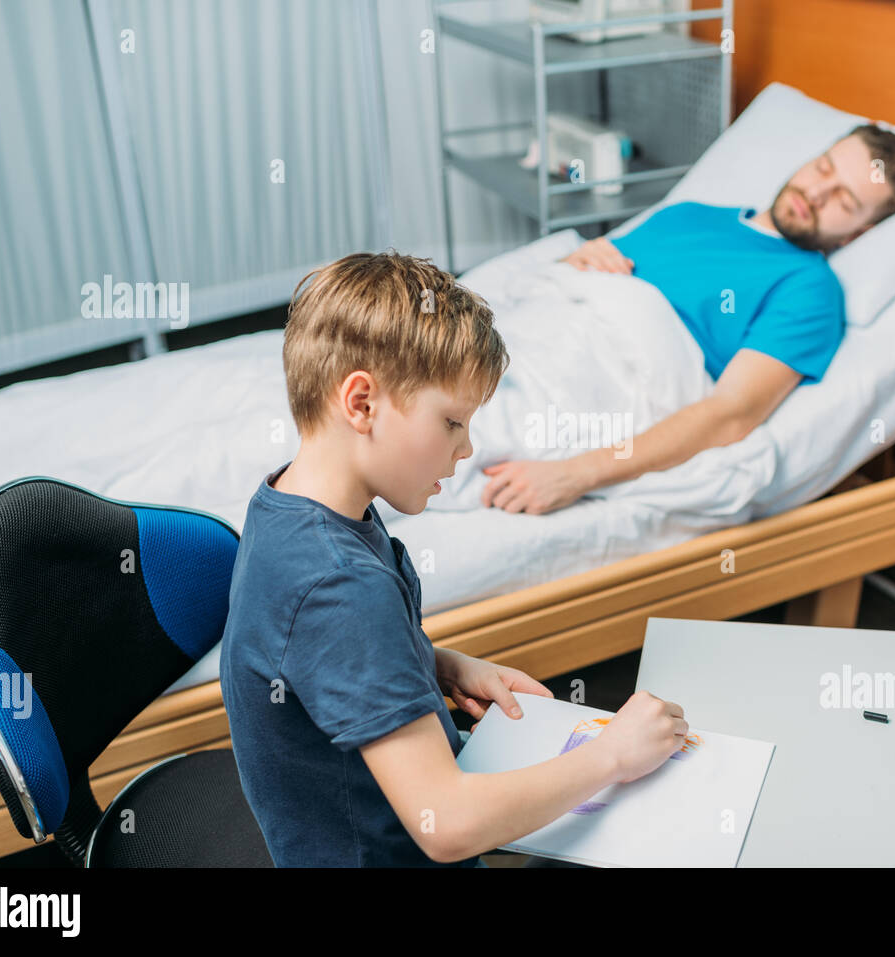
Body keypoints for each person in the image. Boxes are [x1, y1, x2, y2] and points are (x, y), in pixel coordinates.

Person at [219, 251, 689, 866]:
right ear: (361, 404)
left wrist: (437, 665)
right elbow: (448, 823)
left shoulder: (291, 502)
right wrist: (613, 756)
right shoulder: (337, 584)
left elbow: (316, 653)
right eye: (452, 422)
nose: (467, 449)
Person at [478, 124, 895, 515]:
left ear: (857, 233)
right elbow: (574, 287)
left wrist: (574, 475)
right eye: (823, 169)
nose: (816, 193)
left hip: (603, 373)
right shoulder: (688, 214)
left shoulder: (811, 290)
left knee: (451, 424)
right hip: (530, 334)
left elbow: (731, 414)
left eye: (843, 200)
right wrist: (574, 262)